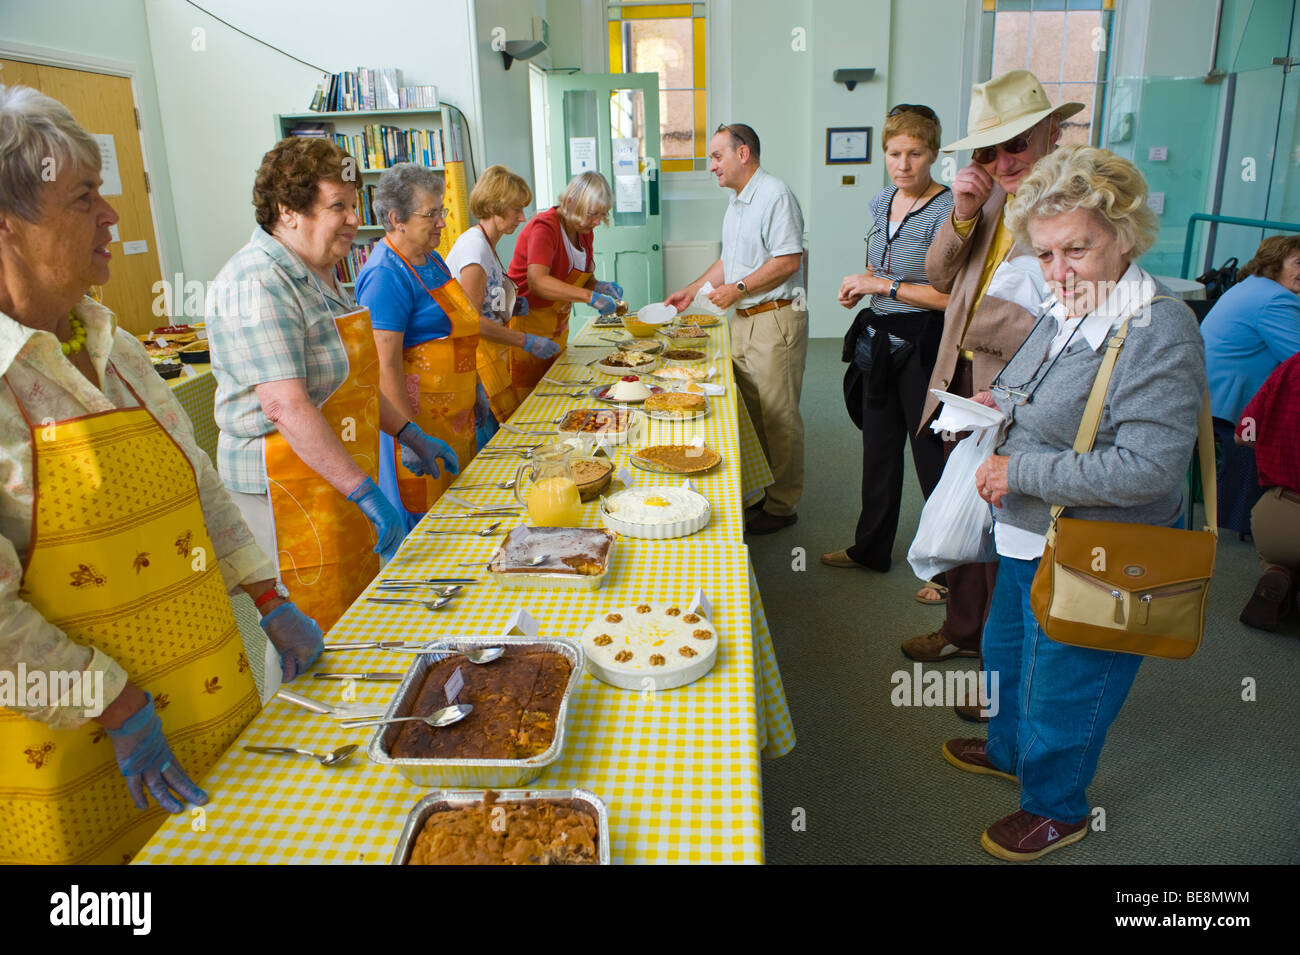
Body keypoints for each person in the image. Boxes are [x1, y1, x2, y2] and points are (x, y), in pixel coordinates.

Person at [0, 85, 320, 863]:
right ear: (8, 229)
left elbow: (199, 484)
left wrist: (267, 592)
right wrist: (111, 702)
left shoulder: (117, 345)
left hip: (210, 701)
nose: (110, 217)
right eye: (83, 198)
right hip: (84, 754)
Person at [940, 145, 1205, 861]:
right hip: (1030, 532)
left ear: (1125, 234)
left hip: (1101, 548)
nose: (1060, 273)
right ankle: (1006, 748)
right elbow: (1033, 385)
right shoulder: (1070, 307)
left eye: (1078, 250)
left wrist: (1020, 468)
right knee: (1005, 651)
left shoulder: (1158, 327)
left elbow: (1149, 467)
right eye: (1047, 252)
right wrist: (998, 400)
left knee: (1065, 688)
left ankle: (1057, 805)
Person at [207, 138, 455, 634]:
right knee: (310, 622)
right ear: (288, 211)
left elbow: (353, 386)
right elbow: (285, 405)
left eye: (354, 205)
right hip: (283, 487)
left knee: (353, 611)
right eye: (337, 206)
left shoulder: (319, 272)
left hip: (330, 470)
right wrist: (364, 490)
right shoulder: (257, 281)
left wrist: (408, 433)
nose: (351, 220)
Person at [900, 71, 1082, 702]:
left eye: (1016, 147)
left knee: (1015, 531)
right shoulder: (993, 199)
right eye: (987, 151)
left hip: (1025, 397)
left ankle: (1002, 674)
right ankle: (963, 628)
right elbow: (940, 276)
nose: (1001, 163)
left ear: (1053, 135)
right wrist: (963, 212)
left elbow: (1070, 315)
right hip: (964, 382)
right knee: (967, 509)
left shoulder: (1073, 211)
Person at [822, 104, 952, 579]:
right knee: (877, 450)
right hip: (879, 337)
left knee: (929, 458)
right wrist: (860, 282)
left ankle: (946, 570)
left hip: (924, 344)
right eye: (894, 153)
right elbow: (878, 265)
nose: (903, 164)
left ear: (933, 154)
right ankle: (870, 549)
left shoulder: (949, 211)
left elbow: (951, 296)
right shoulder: (880, 202)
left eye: (914, 153)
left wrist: (884, 287)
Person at [665, 123, 807, 534]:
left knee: (779, 415)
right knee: (751, 413)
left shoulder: (775, 195)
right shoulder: (737, 202)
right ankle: (764, 491)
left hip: (774, 316)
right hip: (744, 319)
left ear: (742, 154)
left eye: (716, 156)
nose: (712, 166)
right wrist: (692, 291)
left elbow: (787, 260)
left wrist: (738, 288)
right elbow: (729, 260)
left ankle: (783, 506)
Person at [355, 164, 470, 527]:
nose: (441, 222)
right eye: (431, 214)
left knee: (461, 516)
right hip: (417, 424)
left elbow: (456, 332)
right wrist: (409, 438)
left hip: (454, 416)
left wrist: (476, 389)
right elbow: (384, 365)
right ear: (396, 218)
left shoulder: (432, 258)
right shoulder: (385, 275)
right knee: (431, 528)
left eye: (442, 211)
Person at [1199, 235, 1300, 535]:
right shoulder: (1276, 299)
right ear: (1274, 265)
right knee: (1285, 426)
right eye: (1298, 263)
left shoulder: (1253, 287)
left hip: (1210, 396)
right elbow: (1297, 357)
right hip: (1229, 407)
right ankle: (1269, 523)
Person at [506, 171, 621, 403]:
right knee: (531, 401)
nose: (597, 222)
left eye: (602, 214)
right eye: (593, 214)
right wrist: (590, 297)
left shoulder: (584, 231)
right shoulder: (544, 227)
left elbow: (582, 277)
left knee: (556, 391)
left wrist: (600, 286)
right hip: (529, 325)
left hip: (557, 325)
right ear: (570, 202)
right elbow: (538, 282)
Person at [444, 164, 535, 444]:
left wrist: (509, 305)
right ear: (495, 207)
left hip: (489, 355)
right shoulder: (475, 248)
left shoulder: (486, 244)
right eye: (516, 210)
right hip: (474, 361)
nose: (522, 217)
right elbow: (472, 322)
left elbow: (485, 302)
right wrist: (525, 340)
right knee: (489, 442)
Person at [1235, 351, 1300, 630]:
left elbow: (1242, 435)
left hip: (1277, 517)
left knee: (1279, 557)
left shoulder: (1291, 367)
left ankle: (1277, 571)